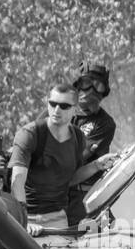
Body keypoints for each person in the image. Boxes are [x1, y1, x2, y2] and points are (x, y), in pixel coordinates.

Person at [9, 84, 117, 229]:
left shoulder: (77, 137)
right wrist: (24, 221)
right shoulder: (30, 134)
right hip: (28, 217)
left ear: (75, 109)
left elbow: (70, 179)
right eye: (53, 104)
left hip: (59, 218)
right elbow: (17, 181)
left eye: (64, 106)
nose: (57, 110)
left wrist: (97, 165)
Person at [65, 61, 119, 225]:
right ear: (77, 85)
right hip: (56, 197)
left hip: (84, 199)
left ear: (104, 91)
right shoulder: (60, 111)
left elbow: (75, 159)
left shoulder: (104, 123)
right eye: (87, 84)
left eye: (98, 86)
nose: (92, 91)